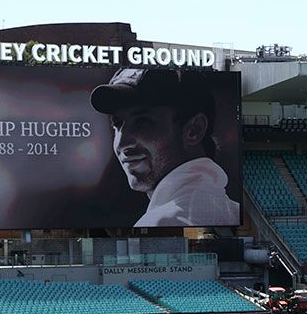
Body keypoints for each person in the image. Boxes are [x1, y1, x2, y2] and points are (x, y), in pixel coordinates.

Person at [89, 67, 241, 227]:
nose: (122, 144)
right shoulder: (234, 211)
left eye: (142, 122)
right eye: (117, 124)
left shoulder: (160, 222)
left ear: (194, 129)